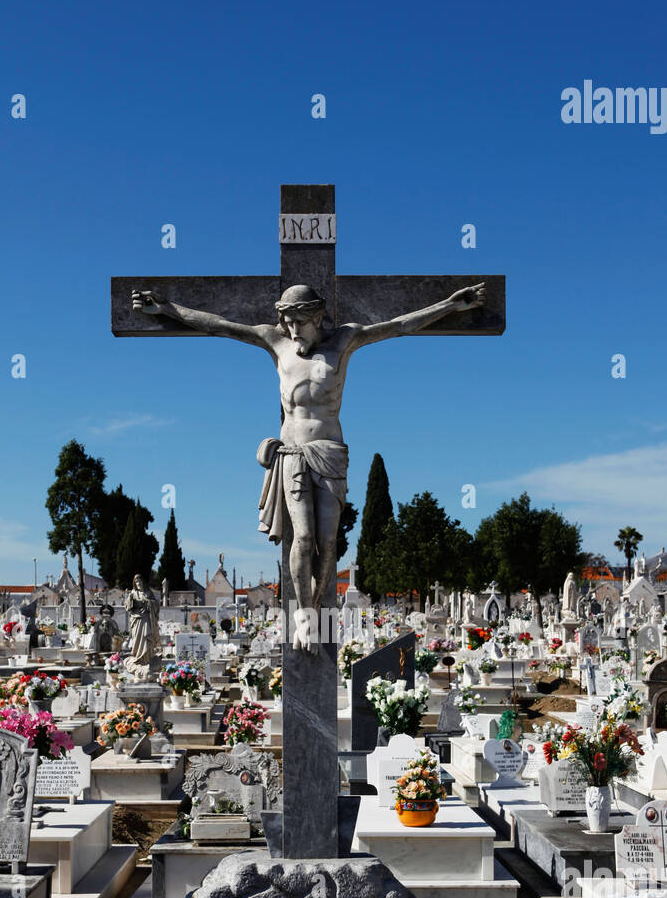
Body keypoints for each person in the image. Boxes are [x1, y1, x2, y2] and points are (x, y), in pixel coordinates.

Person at [133, 280, 485, 654]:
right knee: (301, 539)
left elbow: (399, 325)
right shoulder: (277, 343)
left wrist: (448, 305)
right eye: (288, 322)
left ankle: (316, 611)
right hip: (292, 455)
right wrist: (168, 310)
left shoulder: (345, 341)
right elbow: (219, 325)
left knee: (327, 542)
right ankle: (304, 616)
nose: (293, 330)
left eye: (300, 322)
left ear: (318, 317)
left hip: (330, 453)